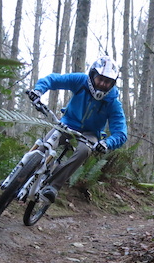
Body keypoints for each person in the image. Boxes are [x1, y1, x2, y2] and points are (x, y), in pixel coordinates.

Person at [27, 56, 127, 204]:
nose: (102, 84)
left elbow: (121, 132)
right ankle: (22, 175)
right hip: (67, 123)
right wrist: (39, 90)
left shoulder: (113, 103)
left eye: (107, 82)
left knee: (84, 151)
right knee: (45, 145)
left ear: (113, 84)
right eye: (100, 79)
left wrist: (107, 143)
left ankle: (53, 187)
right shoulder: (80, 81)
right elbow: (55, 79)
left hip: (90, 134)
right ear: (93, 75)